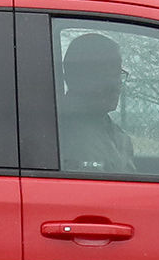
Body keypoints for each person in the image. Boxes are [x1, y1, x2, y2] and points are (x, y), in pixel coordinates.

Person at [58, 31, 135, 173]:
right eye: (107, 73)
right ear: (78, 77)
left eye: (118, 73)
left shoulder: (114, 133)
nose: (117, 83)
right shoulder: (61, 134)